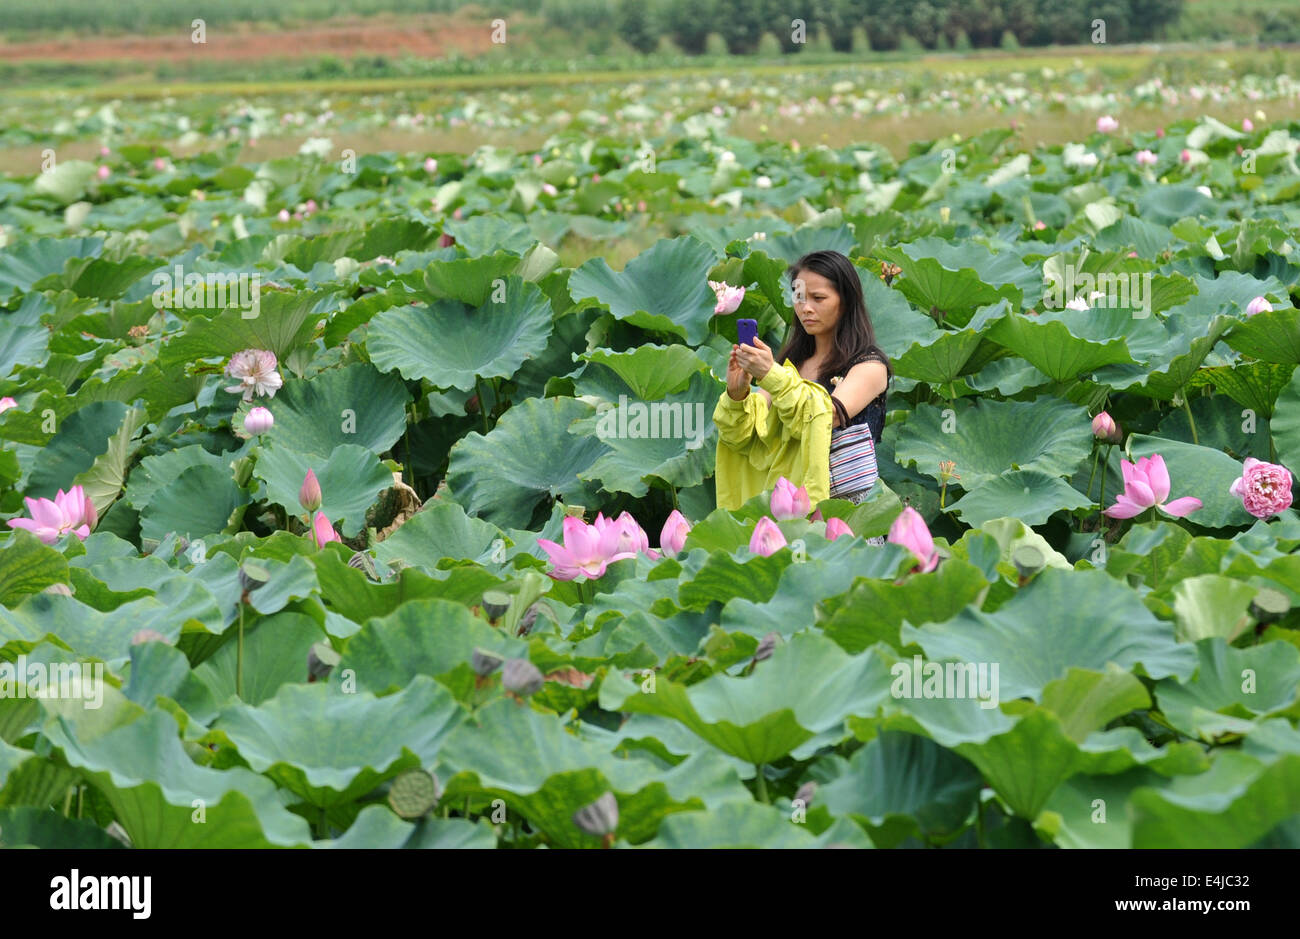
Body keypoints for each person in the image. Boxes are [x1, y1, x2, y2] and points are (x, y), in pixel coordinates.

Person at [714, 250, 892, 538]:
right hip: (791, 512)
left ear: (846, 301)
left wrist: (771, 375)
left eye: (819, 299)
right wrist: (738, 394)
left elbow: (825, 415)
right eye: (799, 298)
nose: (806, 308)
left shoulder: (869, 366)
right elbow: (746, 433)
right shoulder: (791, 366)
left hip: (846, 513)